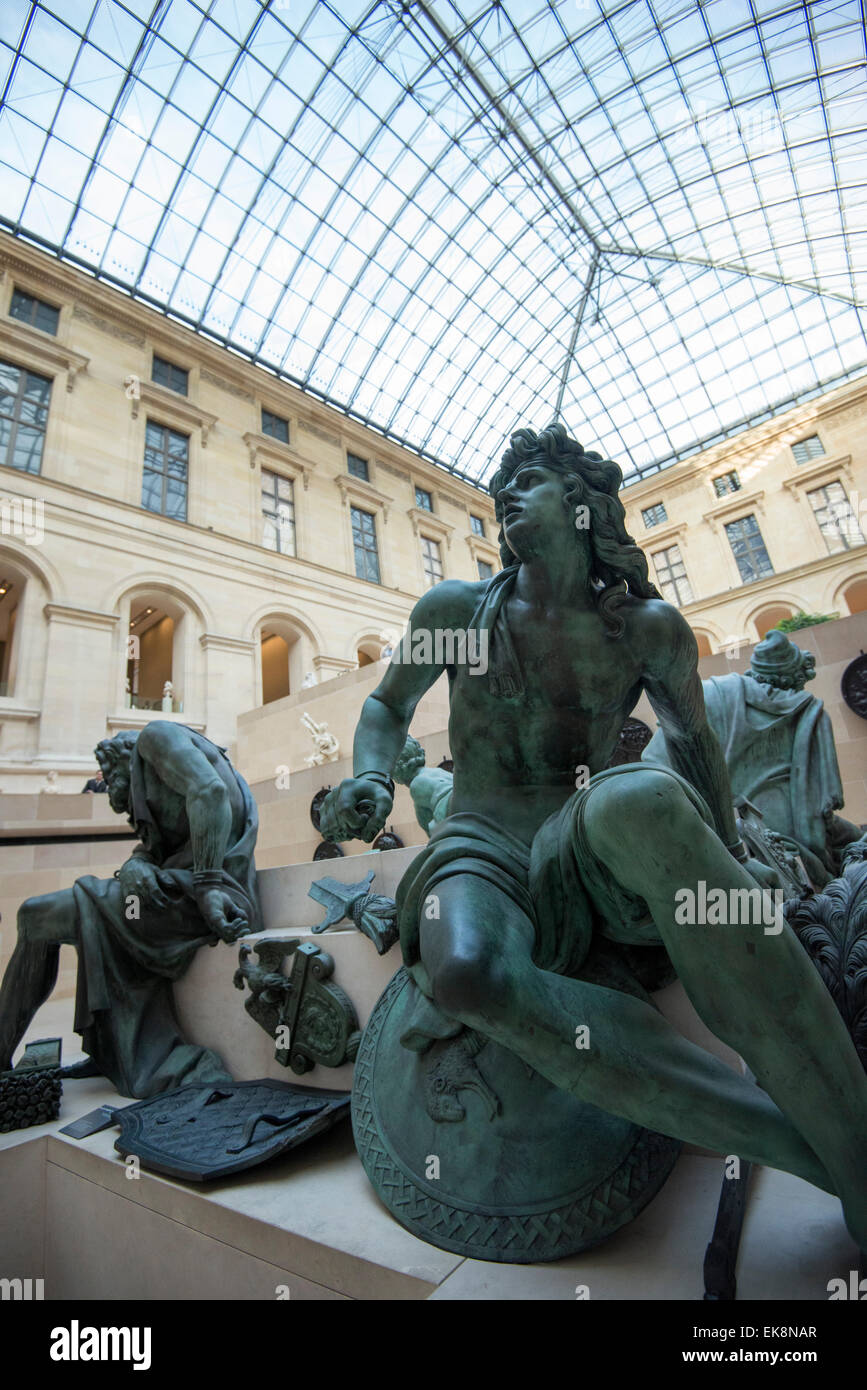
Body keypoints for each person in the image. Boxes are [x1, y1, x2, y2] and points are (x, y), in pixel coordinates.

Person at [321, 422, 867, 1249]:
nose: (505, 495)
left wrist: (727, 848)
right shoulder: (459, 613)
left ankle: (848, 1139)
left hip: (582, 838)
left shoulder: (645, 630)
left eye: (528, 481)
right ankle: (826, 1158)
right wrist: (367, 776)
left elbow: (690, 742)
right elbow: (385, 708)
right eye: (502, 486)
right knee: (467, 972)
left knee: (641, 796)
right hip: (478, 842)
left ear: (580, 506)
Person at [0, 723, 261, 1097]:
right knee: (108, 913)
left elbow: (209, 791)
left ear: (120, 763)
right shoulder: (174, 761)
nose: (112, 798)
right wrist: (139, 865)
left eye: (108, 782)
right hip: (178, 894)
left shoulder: (155, 738)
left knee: (35, 916)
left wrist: (206, 886)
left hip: (200, 900)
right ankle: (111, 1047)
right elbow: (157, 849)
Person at [646, 627, 863, 883]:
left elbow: (653, 762)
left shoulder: (714, 690)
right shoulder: (809, 710)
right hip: (783, 837)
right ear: (794, 678)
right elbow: (824, 806)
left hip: (715, 835)